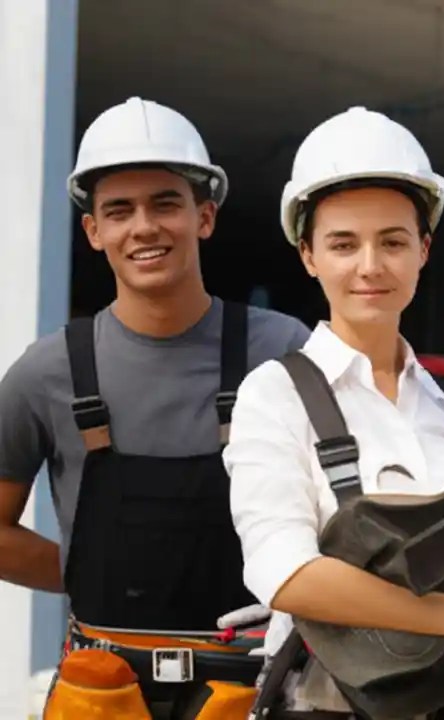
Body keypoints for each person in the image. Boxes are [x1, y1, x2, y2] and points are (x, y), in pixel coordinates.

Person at [222, 106, 444, 719]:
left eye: (393, 241)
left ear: (424, 250)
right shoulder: (275, 395)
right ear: (308, 256)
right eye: (343, 244)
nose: (370, 265)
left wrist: (360, 584)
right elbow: (284, 572)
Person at [0, 96, 312, 718]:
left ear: (204, 216)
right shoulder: (47, 372)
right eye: (119, 210)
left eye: (165, 203)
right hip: (103, 692)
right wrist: (91, 570)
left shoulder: (283, 351)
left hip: (256, 690)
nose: (144, 227)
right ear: (94, 232)